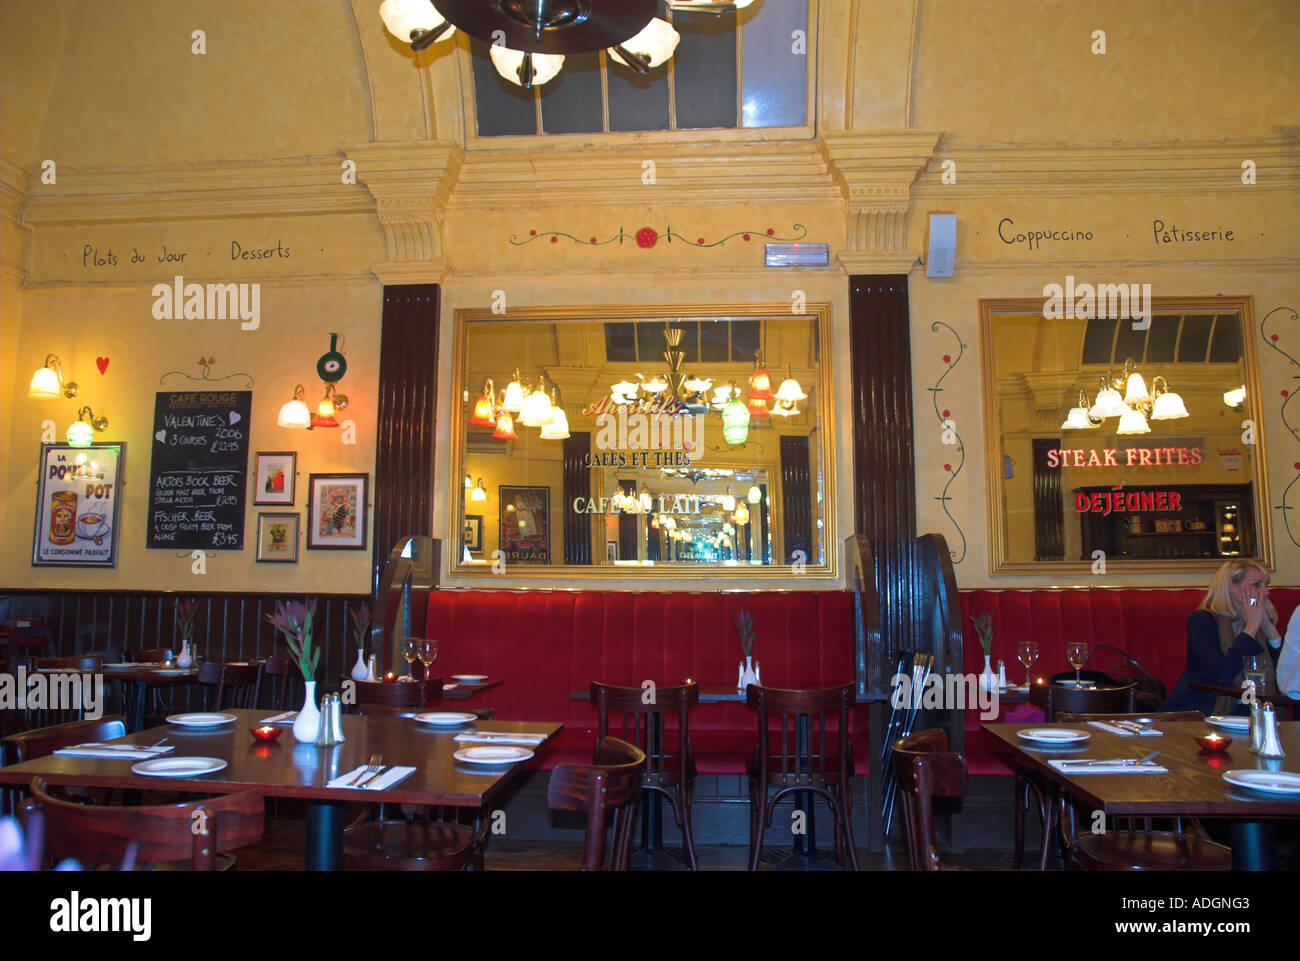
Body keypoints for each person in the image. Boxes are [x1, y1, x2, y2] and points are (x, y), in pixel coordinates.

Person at [1161, 559, 1282, 715]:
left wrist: (1268, 627)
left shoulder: (1262, 625)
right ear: (1230, 586)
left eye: (1266, 586)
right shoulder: (1201, 620)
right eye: (1257, 585)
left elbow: (1288, 675)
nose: (1266, 592)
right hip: (1202, 710)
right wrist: (1251, 627)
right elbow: (1222, 675)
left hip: (1249, 710)